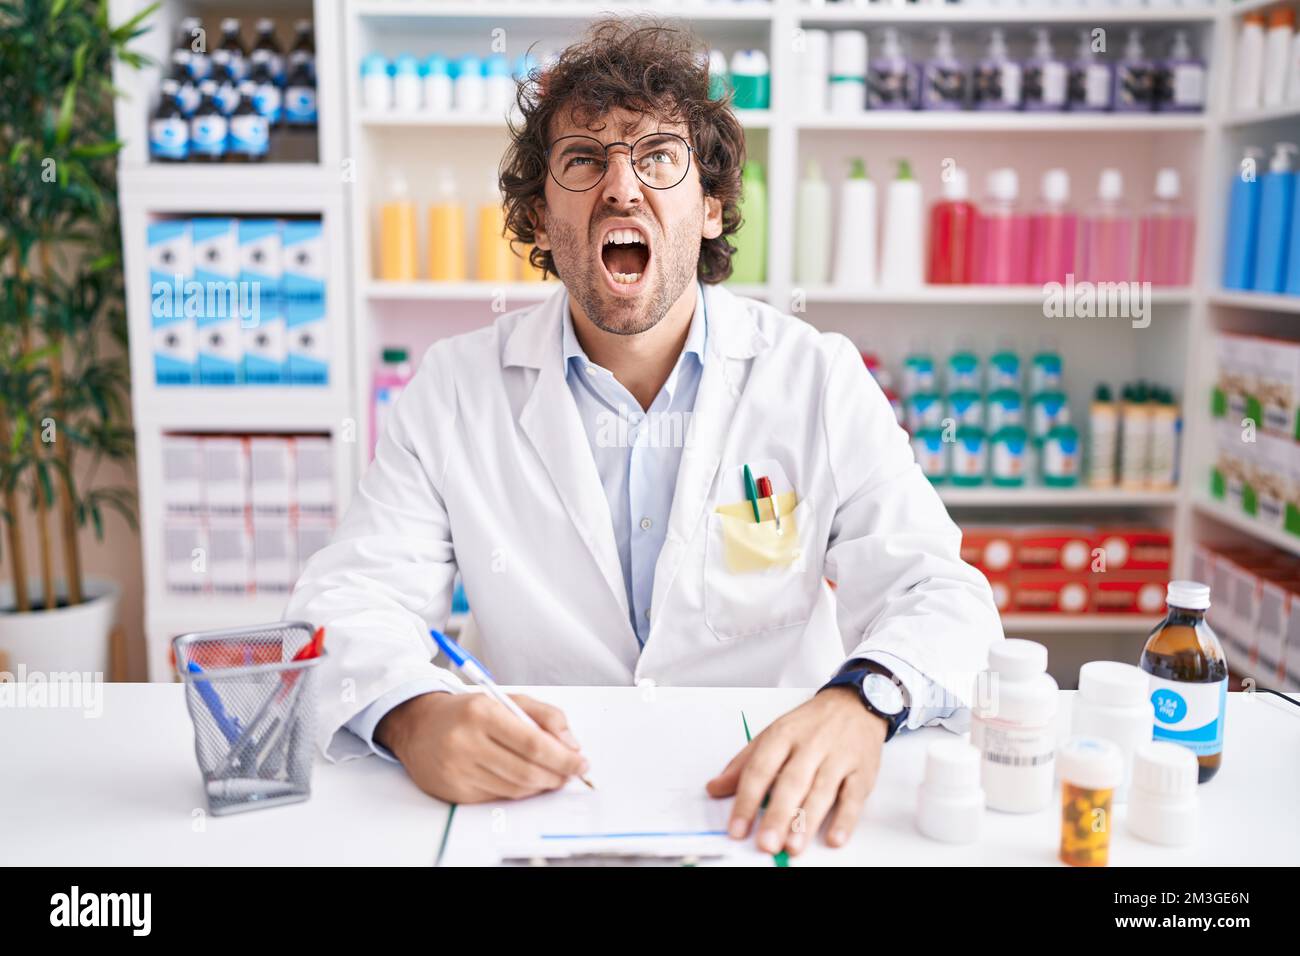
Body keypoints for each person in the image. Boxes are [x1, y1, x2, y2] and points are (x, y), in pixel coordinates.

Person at [284, 18, 1003, 859]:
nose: (622, 189)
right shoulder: (453, 389)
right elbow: (346, 603)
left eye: (658, 157)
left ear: (709, 209)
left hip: (763, 804)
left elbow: (946, 599)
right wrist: (411, 714)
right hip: (534, 804)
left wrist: (862, 703)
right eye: (584, 160)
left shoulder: (816, 378)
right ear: (541, 215)